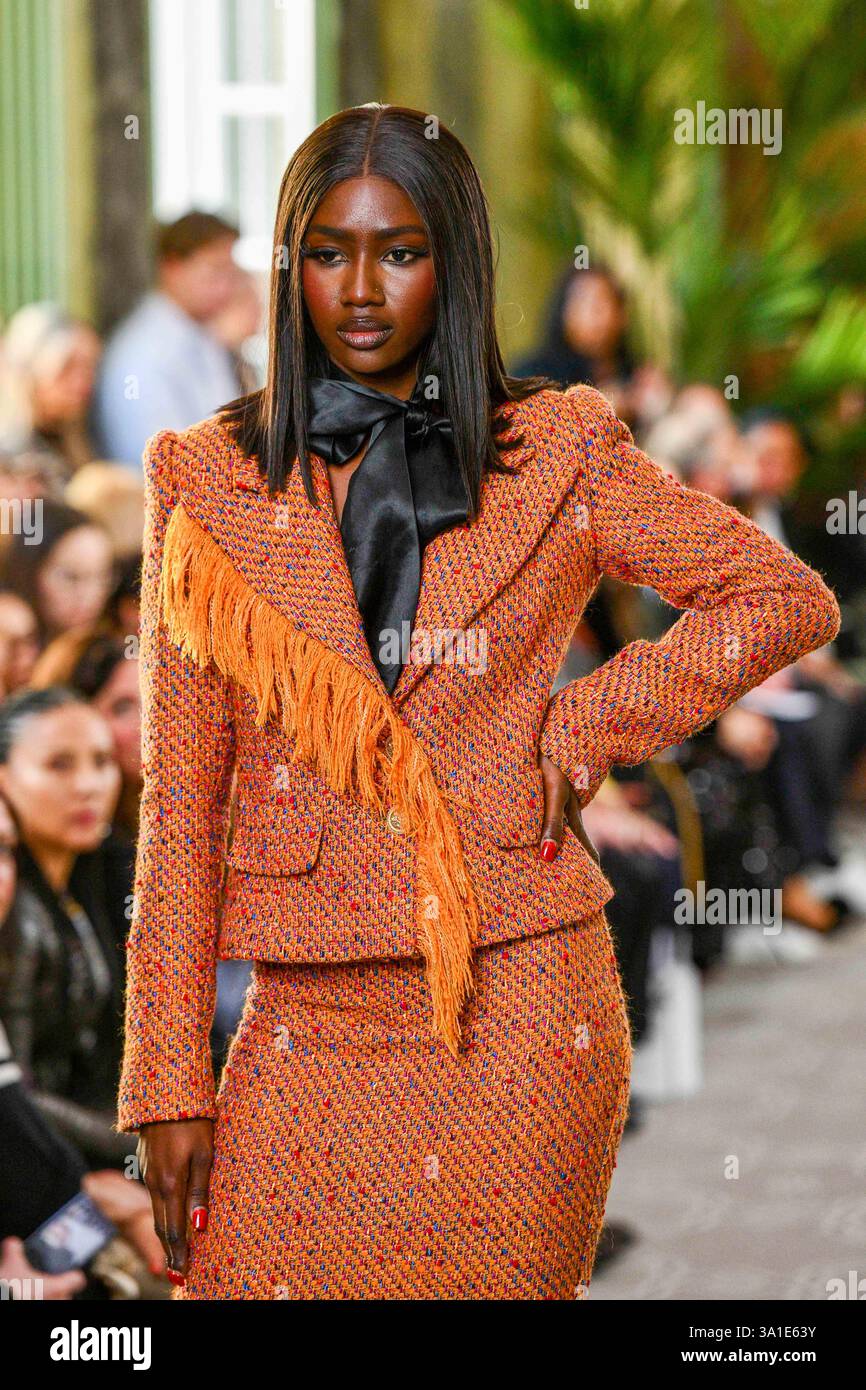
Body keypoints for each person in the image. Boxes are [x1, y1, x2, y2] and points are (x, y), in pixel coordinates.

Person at [115, 104, 841, 1301]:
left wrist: (584, 722)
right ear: (286, 264)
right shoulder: (204, 480)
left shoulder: (554, 449)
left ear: (454, 261)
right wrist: (164, 1081)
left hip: (518, 1007)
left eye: (399, 251)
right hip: (304, 1022)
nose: (358, 288)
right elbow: (180, 808)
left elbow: (775, 594)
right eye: (326, 250)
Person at [0, 687, 133, 1168]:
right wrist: (139, 1150)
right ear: (3, 777)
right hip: (39, 1164)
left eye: (101, 761)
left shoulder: (99, 875)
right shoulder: (10, 904)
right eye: (59, 764)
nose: (88, 785)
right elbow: (15, 1090)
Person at [93, 212, 245, 469]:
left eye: (232, 273)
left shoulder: (204, 335)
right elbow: (159, 461)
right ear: (172, 267)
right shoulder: (143, 351)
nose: (227, 287)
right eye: (216, 272)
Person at [0, 302, 102, 486]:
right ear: (31, 369)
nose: (82, 382)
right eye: (68, 367)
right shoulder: (11, 459)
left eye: (88, 367)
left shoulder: (84, 435)